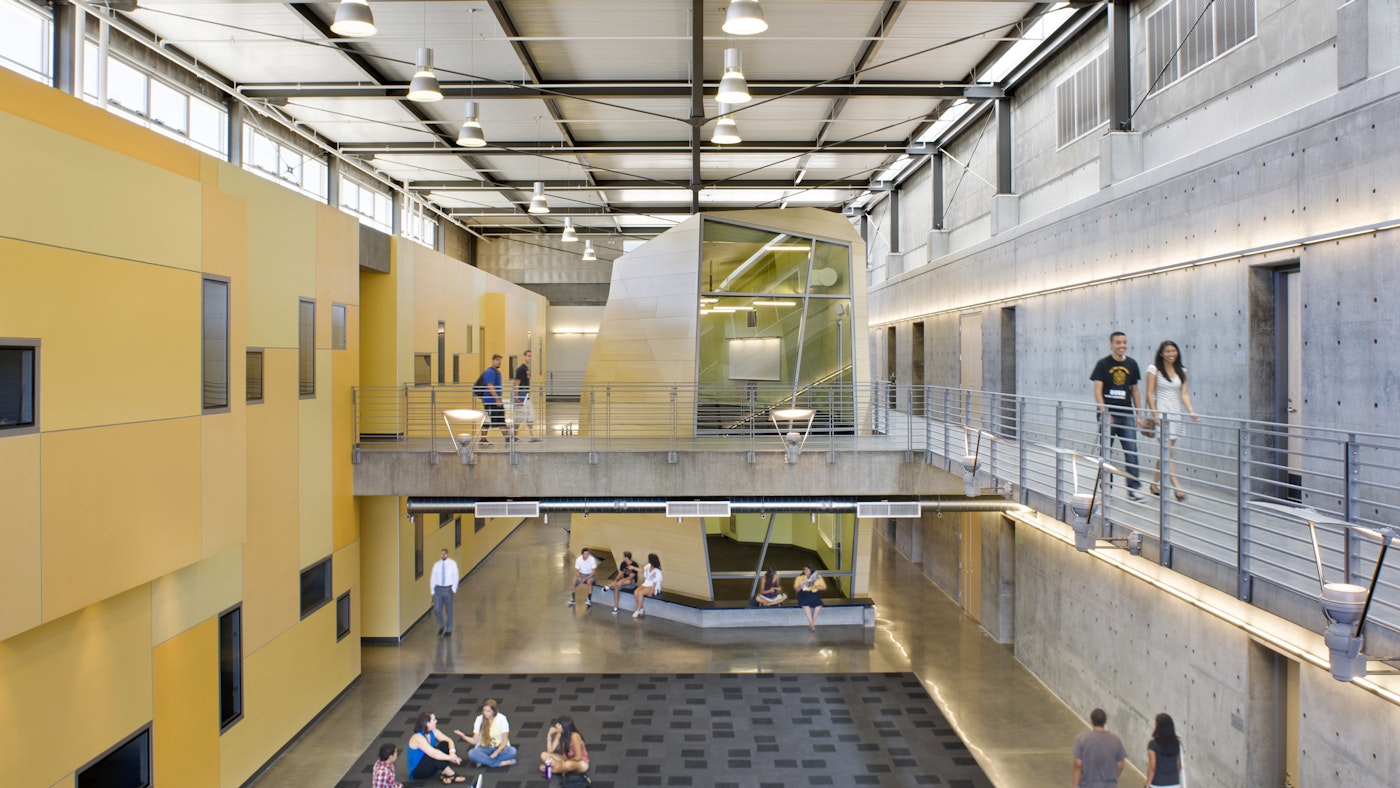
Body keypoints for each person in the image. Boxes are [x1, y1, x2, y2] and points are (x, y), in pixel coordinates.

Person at [1090, 331, 1146, 502]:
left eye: (1124, 342)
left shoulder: (1131, 364)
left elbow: (1135, 390)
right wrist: (1104, 412)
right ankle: (1106, 489)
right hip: (1108, 416)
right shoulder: (1103, 364)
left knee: (1131, 452)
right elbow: (1098, 390)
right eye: (1118, 343)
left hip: (1126, 414)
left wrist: (1139, 414)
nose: (1122, 346)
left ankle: (1133, 490)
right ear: (1111, 344)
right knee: (1106, 454)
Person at [1145, 341, 1200, 502]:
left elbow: (1184, 394)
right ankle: (1177, 487)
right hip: (1161, 415)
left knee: (1165, 452)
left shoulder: (1182, 371)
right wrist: (1155, 414)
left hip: (1176, 414)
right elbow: (1149, 393)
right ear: (1161, 353)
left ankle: (1154, 484)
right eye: (1167, 351)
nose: (1171, 354)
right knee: (1167, 452)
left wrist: (1191, 411)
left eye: (1173, 351)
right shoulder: (1153, 369)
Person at [453, 698, 517, 768]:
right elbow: (474, 741)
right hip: (484, 748)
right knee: (472, 753)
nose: (485, 713)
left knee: (512, 751)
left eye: (488, 711)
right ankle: (499, 763)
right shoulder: (479, 719)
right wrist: (463, 736)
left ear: (494, 711)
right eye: (484, 710)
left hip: (499, 748)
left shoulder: (502, 719)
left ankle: (484, 761)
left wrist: (497, 752)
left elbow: (504, 740)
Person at [1072, 707, 1126, 788]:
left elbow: (1078, 765)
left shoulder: (1082, 739)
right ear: (1105, 721)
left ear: (1091, 721)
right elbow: (1120, 766)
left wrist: (1075, 785)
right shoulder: (1116, 740)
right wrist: (1112, 780)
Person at [407, 712, 467, 784]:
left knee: (445, 744)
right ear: (427, 723)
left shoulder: (434, 732)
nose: (436, 721)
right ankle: (451, 774)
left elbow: (449, 740)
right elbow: (433, 753)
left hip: (431, 765)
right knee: (434, 754)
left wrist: (452, 753)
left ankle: (444, 773)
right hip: (418, 772)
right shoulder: (417, 737)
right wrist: (450, 758)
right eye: (434, 720)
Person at [1145, 712, 1183, 788]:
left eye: (1155, 724)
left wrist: (1147, 784)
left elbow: (1152, 767)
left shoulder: (1153, 744)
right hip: (1174, 783)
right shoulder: (1177, 743)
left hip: (1157, 783)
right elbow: (1179, 765)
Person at [478, 354, 508, 445]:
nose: (499, 362)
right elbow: (490, 385)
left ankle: (483, 439)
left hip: (493, 400)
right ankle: (508, 438)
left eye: (500, 360)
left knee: (493, 419)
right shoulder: (490, 372)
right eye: (497, 360)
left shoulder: (496, 372)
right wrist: (497, 399)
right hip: (491, 401)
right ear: (493, 361)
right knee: (497, 419)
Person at [512, 349, 540, 442]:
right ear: (524, 356)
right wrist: (516, 396)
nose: (529, 358)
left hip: (526, 396)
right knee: (520, 416)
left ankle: (531, 435)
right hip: (520, 396)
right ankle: (513, 435)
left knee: (530, 415)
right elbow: (517, 382)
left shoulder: (527, 368)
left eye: (530, 356)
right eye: (528, 356)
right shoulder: (520, 369)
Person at [430, 548, 459, 637]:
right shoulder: (436, 565)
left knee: (448, 610)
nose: (443, 555)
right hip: (438, 589)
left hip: (448, 589)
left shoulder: (452, 564)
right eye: (442, 554)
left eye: (444, 554)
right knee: (437, 609)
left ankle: (448, 629)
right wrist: (432, 590)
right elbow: (433, 577)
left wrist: (453, 588)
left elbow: (455, 576)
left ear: (447, 554)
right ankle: (441, 625)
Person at [795, 564, 825, 630]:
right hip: (803, 594)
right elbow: (796, 589)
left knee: (819, 605)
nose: (805, 571)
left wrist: (816, 586)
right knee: (805, 605)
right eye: (804, 569)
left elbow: (823, 587)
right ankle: (812, 624)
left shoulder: (817, 577)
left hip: (814, 594)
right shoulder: (800, 578)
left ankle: (812, 622)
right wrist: (801, 586)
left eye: (807, 569)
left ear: (811, 570)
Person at [632, 553, 662, 619]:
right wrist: (633, 568)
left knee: (640, 593)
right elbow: (642, 570)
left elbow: (654, 583)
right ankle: (641, 609)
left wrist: (651, 593)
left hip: (653, 587)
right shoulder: (648, 565)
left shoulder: (657, 571)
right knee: (636, 592)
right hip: (646, 583)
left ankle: (637, 610)